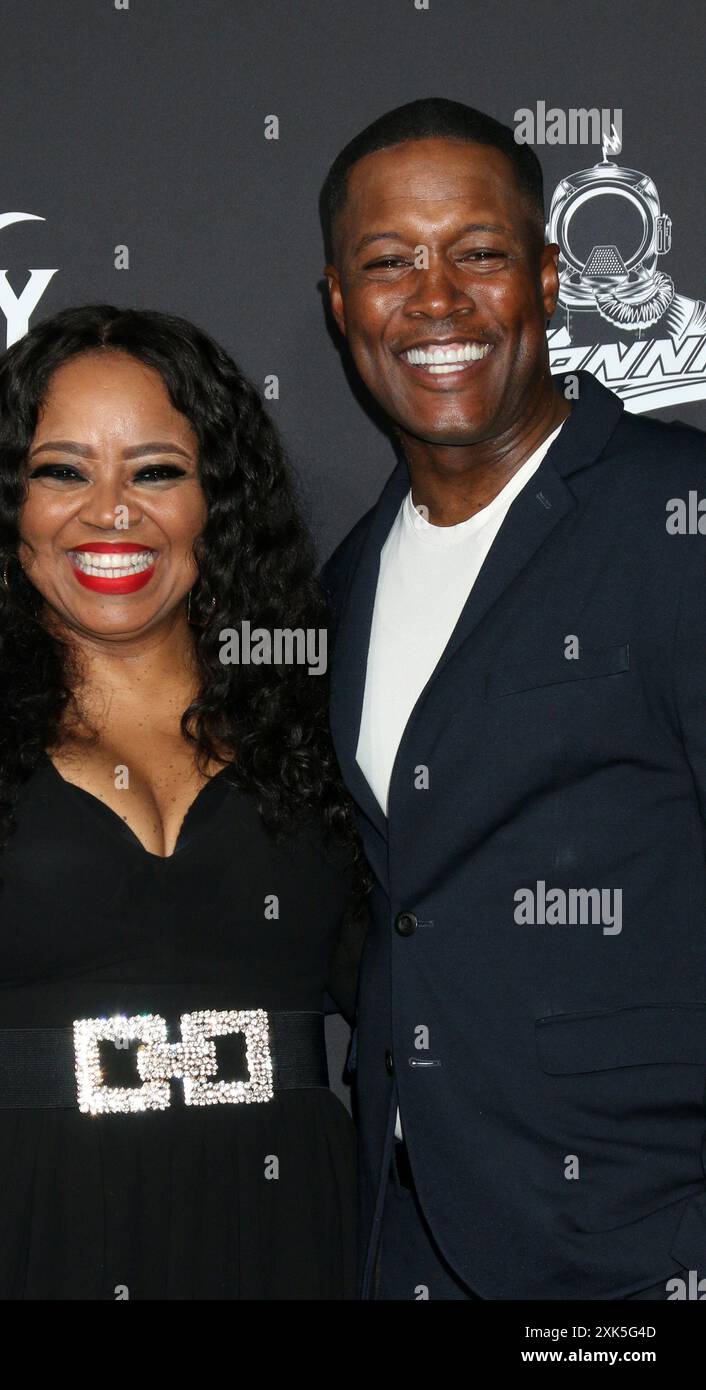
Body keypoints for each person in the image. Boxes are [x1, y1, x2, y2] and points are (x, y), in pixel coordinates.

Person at [0, 304, 366, 1300]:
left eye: (155, 470)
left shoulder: (326, 730)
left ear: (218, 498)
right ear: (8, 506)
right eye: (62, 470)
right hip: (15, 1244)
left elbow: (415, 1006)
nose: (109, 511)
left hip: (290, 1237)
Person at [319, 97, 706, 1300]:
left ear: (545, 277)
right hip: (405, 1235)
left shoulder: (672, 516)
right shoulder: (344, 580)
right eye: (389, 263)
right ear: (339, 304)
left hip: (641, 1241)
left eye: (477, 254)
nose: (433, 300)